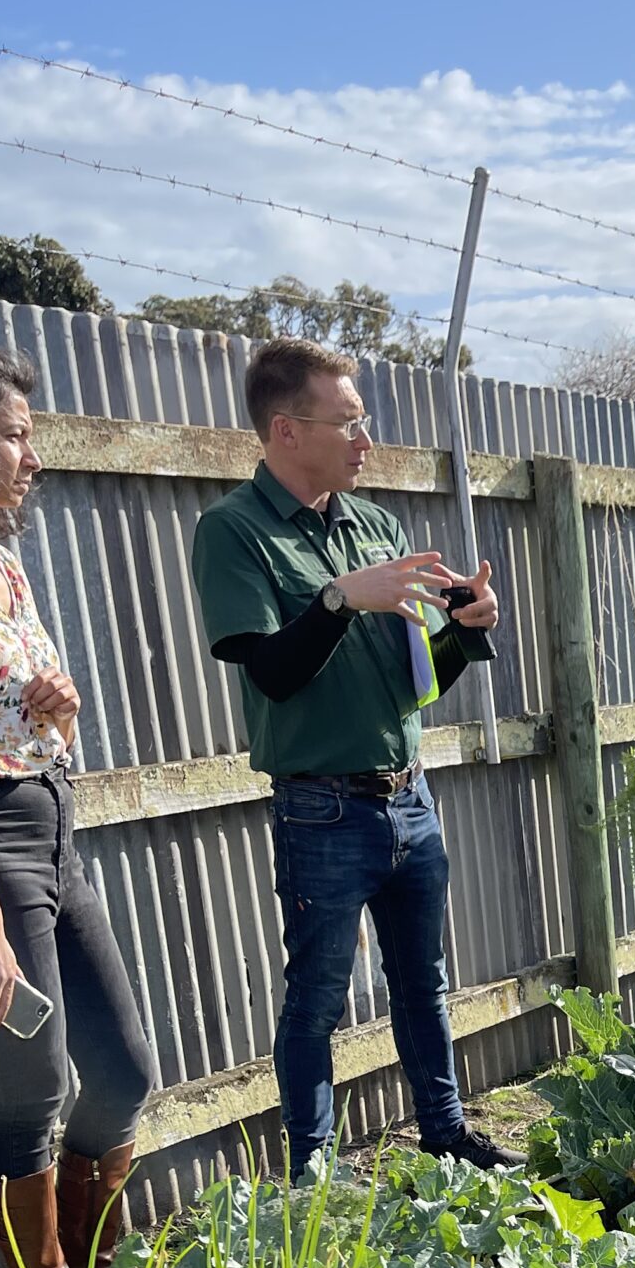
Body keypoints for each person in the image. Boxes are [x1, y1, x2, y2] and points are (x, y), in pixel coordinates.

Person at [191, 337, 514, 1180]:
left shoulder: (376, 525)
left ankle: (446, 1136)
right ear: (287, 431)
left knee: (424, 982)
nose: (367, 439)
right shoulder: (234, 532)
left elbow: (415, 684)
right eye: (351, 422)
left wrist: (469, 632)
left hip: (411, 798)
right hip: (321, 809)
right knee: (318, 1001)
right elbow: (271, 669)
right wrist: (338, 597)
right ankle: (314, 1174)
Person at [0, 342, 154, 1268]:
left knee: (123, 1067)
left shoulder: (3, 560)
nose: (32, 455)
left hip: (52, 822)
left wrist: (64, 709)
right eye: (16, 433)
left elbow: (37, 715)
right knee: (32, 1087)